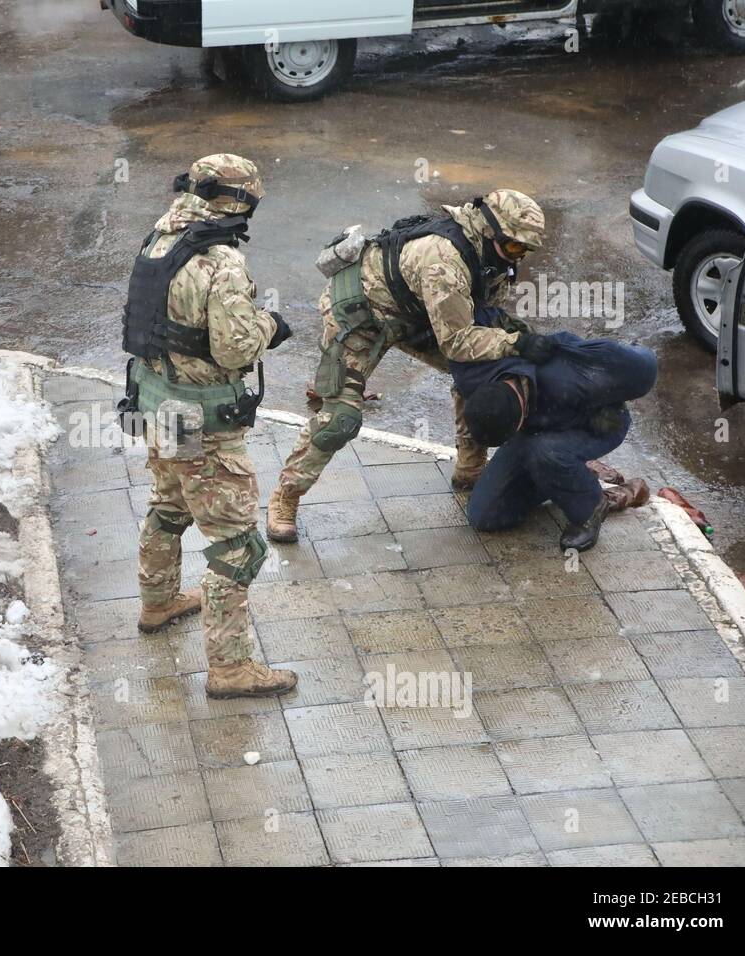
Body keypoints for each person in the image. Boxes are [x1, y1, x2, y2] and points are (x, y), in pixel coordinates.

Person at [267, 190, 557, 543]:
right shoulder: (443, 262)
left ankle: (470, 466)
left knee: (487, 369)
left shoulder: (493, 257)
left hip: (417, 315)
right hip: (361, 312)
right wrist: (517, 342)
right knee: (340, 418)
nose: (518, 256)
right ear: (490, 230)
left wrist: (512, 341)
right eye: (513, 247)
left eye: (524, 250)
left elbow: (482, 323)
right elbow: (458, 342)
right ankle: (286, 497)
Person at [121, 154, 297, 699]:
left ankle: (158, 603)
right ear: (238, 202)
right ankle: (230, 669)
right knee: (237, 545)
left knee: (169, 506)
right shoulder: (221, 262)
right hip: (203, 420)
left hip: (157, 406)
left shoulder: (159, 239)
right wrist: (272, 323)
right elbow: (235, 346)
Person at [453, 308, 659, 551]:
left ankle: (590, 507)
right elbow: (474, 316)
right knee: (484, 515)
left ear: (517, 424)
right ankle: (563, 478)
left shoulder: (572, 373)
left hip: (593, 424)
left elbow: (646, 368)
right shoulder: (474, 376)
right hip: (535, 430)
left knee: (546, 452)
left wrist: (606, 404)